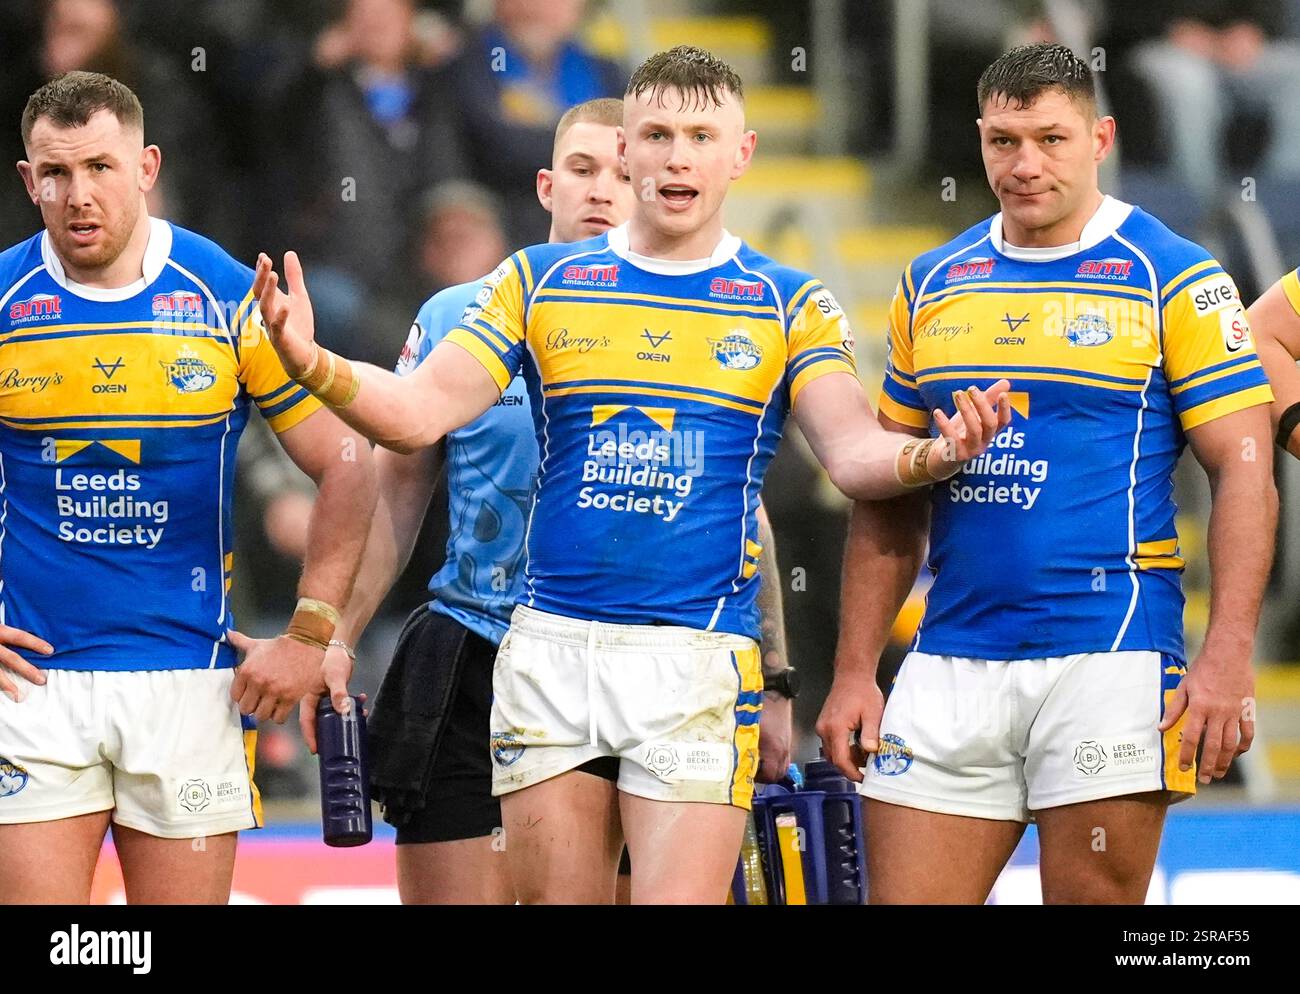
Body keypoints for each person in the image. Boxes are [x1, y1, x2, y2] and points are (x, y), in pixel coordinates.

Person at [255, 45, 1011, 904]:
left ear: (742, 152)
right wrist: (310, 359)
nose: (678, 155)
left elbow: (852, 454)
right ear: (633, 153)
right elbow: (417, 415)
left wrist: (936, 454)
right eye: (657, 134)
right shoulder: (536, 283)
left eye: (700, 134)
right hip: (547, 651)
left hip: (697, 659)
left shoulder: (789, 300)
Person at [817, 43, 1276, 905]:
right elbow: (887, 495)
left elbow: (1245, 472)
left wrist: (1225, 661)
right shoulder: (933, 282)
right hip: (949, 653)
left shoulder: (1172, 274)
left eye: (1050, 139)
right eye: (1003, 142)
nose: (1024, 165)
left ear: (1099, 138)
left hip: (1109, 654)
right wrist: (853, 671)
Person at [0, 71, 375, 904]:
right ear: (29, 181)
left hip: (187, 681)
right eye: (54, 175)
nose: (78, 195)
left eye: (100, 167)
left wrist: (311, 633)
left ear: (146, 166)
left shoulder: (224, 294)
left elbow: (348, 464)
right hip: (31, 689)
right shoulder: (4, 301)